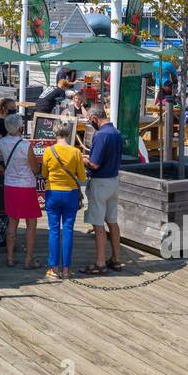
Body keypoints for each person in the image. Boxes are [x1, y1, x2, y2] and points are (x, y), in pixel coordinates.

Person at [0, 114, 40, 268]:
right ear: (20, 128)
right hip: (26, 186)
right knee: (31, 222)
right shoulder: (26, 145)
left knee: (12, 221)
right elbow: (35, 168)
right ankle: (28, 259)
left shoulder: (2, 142)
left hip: (10, 185)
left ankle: (10, 258)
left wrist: (3, 170)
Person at [40, 122, 86, 280]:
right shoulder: (75, 152)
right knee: (68, 230)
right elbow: (82, 177)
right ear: (68, 134)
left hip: (52, 192)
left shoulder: (48, 151)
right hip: (70, 194)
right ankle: (66, 269)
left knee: (53, 230)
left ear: (55, 134)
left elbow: (44, 174)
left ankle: (54, 268)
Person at [81, 107, 124, 274]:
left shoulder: (101, 135)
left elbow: (95, 164)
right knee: (112, 221)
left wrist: (83, 159)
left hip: (100, 182)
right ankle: (116, 259)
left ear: (94, 118)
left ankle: (100, 263)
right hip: (114, 180)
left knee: (98, 223)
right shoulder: (116, 132)